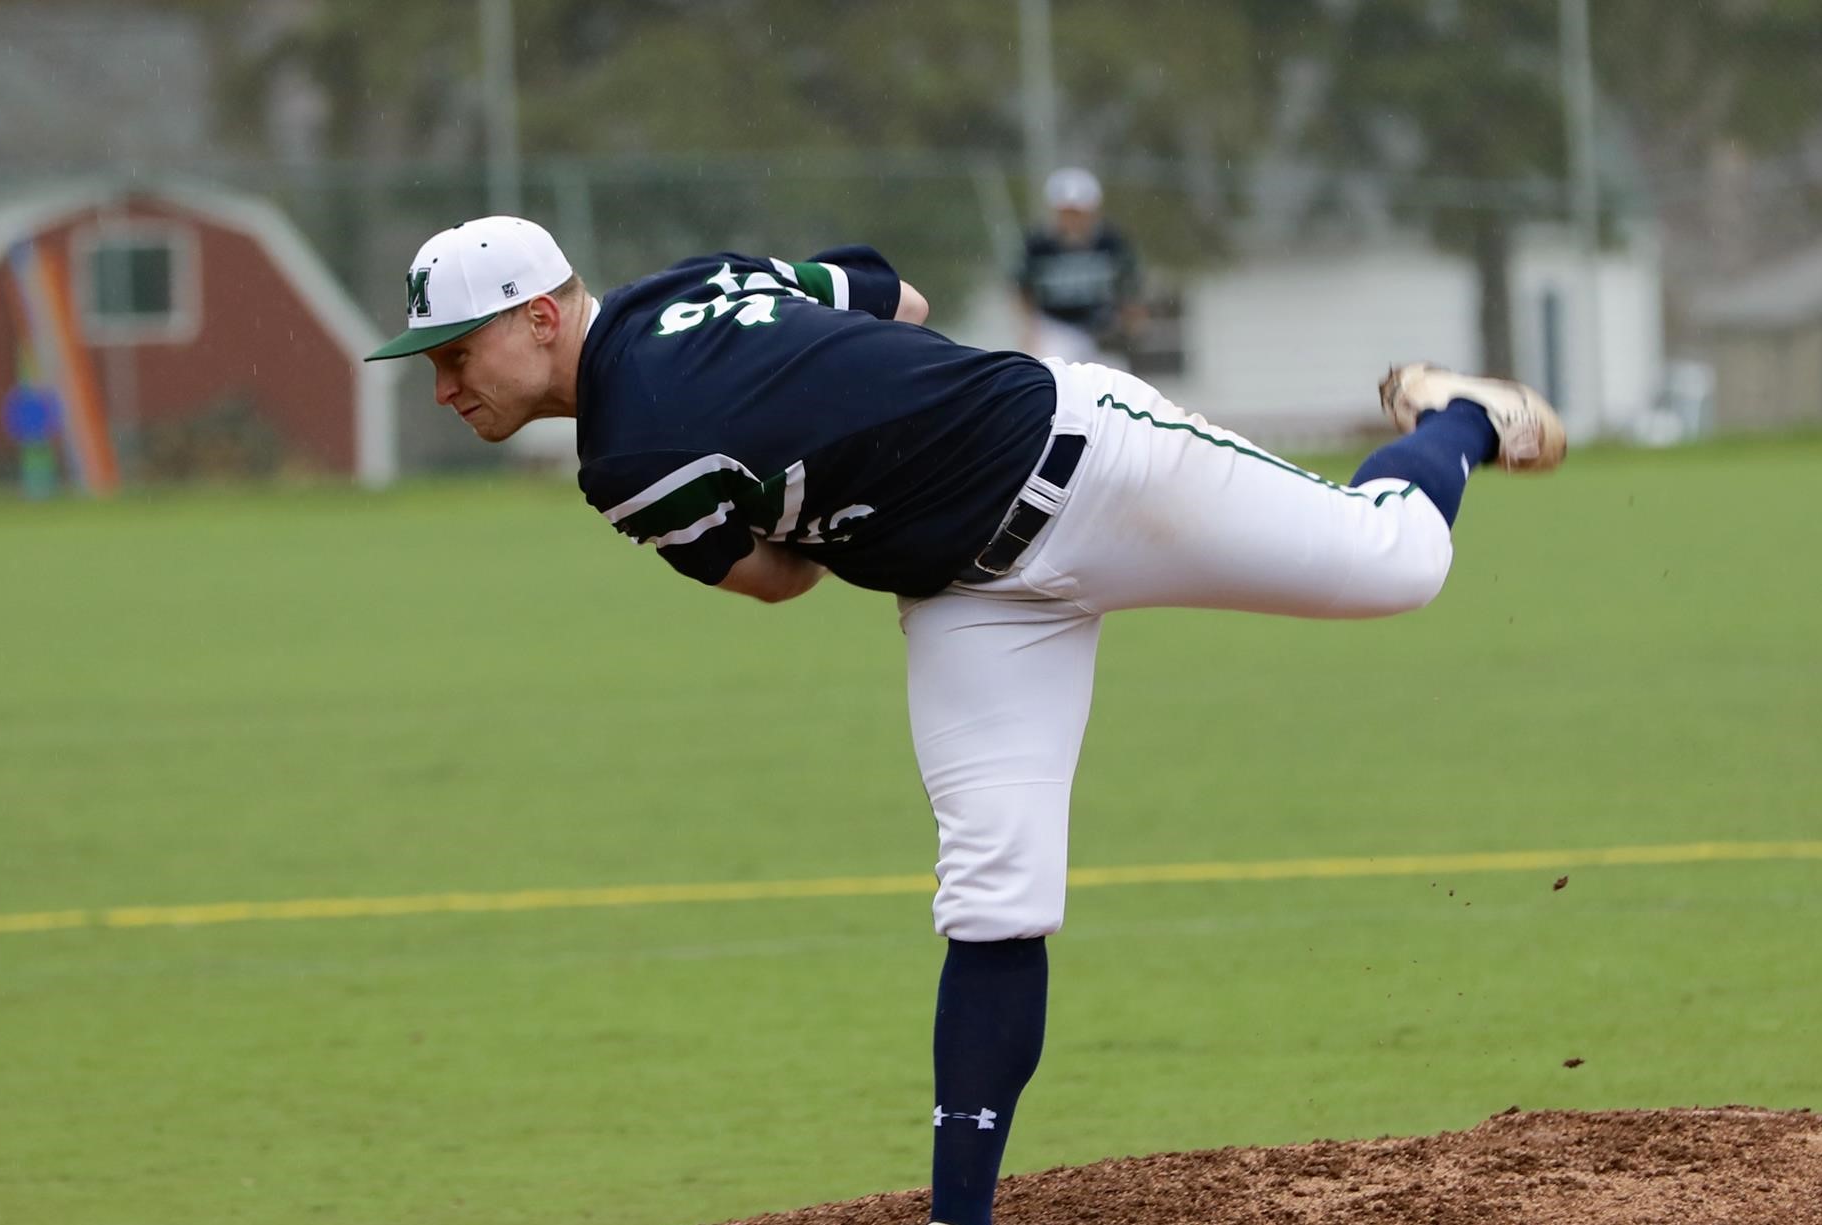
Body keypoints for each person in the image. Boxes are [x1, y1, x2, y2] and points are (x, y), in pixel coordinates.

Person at [365, 215, 1566, 1225]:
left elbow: (778, 582)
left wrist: (848, 453)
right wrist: (857, 406)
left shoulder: (631, 456)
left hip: (1094, 465)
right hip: (967, 598)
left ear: (535, 318)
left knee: (1396, 562)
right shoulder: (694, 283)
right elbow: (897, 292)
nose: (443, 382)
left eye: (453, 349)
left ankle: (1450, 419)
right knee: (993, 887)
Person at [1013, 167, 1144, 364]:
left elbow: (1129, 285)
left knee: (1114, 381)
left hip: (1103, 329)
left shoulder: (1111, 243)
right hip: (1056, 326)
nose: (1072, 219)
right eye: (1066, 212)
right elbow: (1023, 289)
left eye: (1077, 213)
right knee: (1054, 371)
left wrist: (1131, 321)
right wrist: (1030, 329)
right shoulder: (1039, 245)